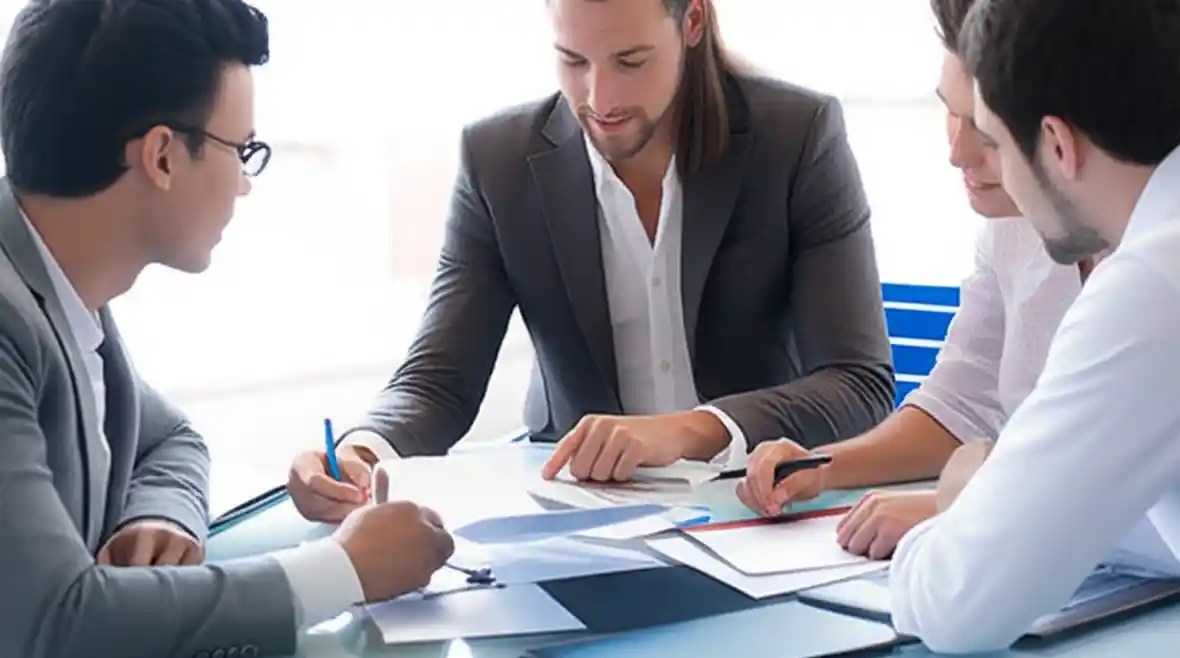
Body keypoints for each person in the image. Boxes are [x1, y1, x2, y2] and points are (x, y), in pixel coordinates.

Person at [0, 2, 453, 658]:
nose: (245, 182)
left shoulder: (57, 285)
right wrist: (341, 571)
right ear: (161, 156)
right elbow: (53, 629)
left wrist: (163, 519)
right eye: (241, 150)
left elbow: (169, 438)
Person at [286, 0, 896, 523]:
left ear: (692, 23)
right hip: (578, 526)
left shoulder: (796, 136)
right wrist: (363, 451)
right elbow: (439, 379)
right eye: (572, 61)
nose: (599, 99)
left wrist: (687, 429)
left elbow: (858, 383)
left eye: (630, 61)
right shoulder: (497, 160)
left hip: (757, 511)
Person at [885, 0, 1180, 658]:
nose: (996, 172)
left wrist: (970, 501)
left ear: (1058, 146)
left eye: (998, 145)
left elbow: (954, 604)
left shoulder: (1162, 282)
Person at [735, 0, 1180, 578]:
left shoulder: (1176, 254)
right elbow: (959, 406)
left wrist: (962, 508)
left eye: (987, 130)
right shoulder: (1011, 225)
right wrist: (825, 467)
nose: (956, 152)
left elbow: (1145, 488)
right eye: (951, 113)